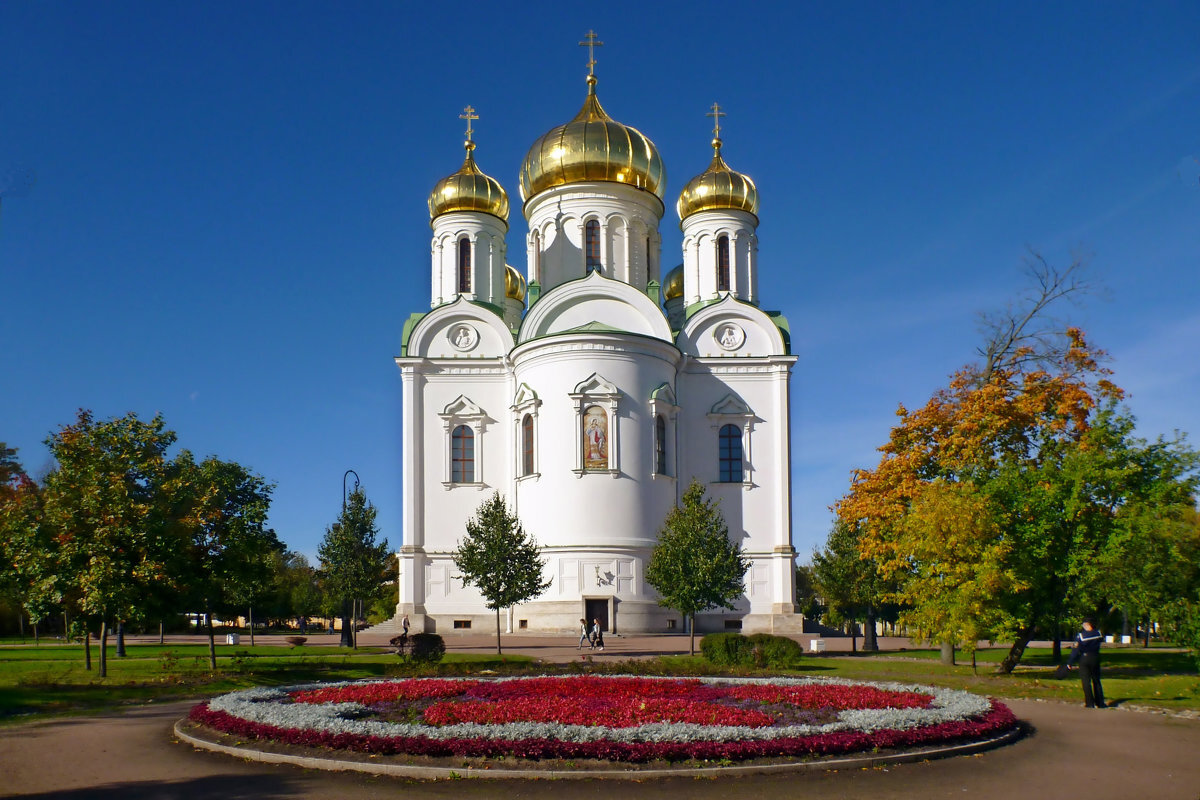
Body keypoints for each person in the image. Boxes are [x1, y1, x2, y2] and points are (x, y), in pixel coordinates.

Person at [1067, 617, 1106, 708]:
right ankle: (1100, 702)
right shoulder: (1098, 634)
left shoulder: (1081, 636)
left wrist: (1070, 662)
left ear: (1087, 625)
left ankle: (1089, 703)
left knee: (1086, 681)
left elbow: (1076, 650)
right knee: (1096, 680)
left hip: (1084, 658)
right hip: (1095, 657)